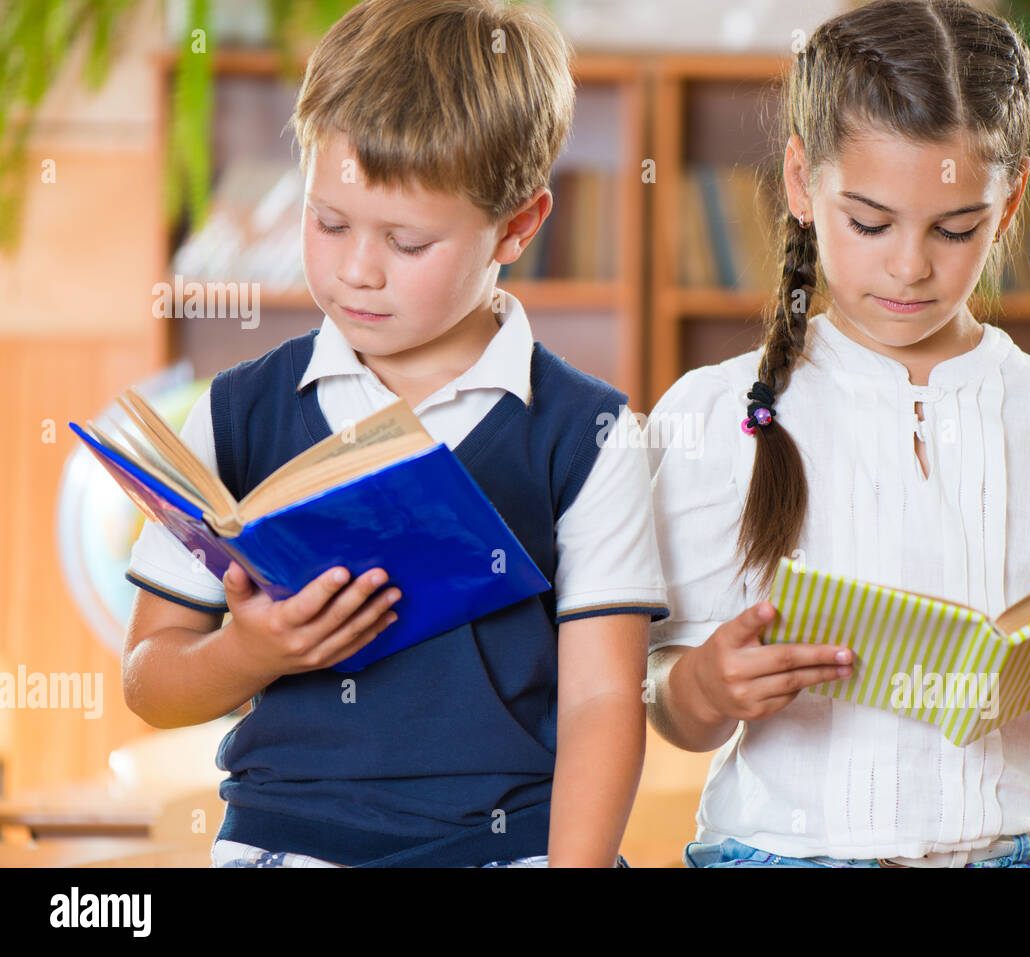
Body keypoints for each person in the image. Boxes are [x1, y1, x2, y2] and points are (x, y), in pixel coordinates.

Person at [645, 0, 1030, 868]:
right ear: (800, 181)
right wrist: (706, 685)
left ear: (1011, 196)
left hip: (1017, 851)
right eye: (869, 223)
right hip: (780, 851)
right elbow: (673, 709)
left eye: (956, 229)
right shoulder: (714, 416)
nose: (910, 266)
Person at [122, 0, 668, 868]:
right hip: (285, 838)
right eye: (328, 221)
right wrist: (248, 651)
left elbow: (604, 697)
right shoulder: (237, 411)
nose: (355, 270)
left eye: (407, 241)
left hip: (509, 841)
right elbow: (150, 677)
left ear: (519, 226)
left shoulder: (591, 434)